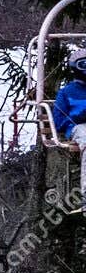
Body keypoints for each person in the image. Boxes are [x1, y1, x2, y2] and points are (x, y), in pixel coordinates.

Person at [55, 47, 86, 202]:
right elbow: (59, 122)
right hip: (78, 128)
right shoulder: (66, 92)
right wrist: (78, 117)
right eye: (84, 65)